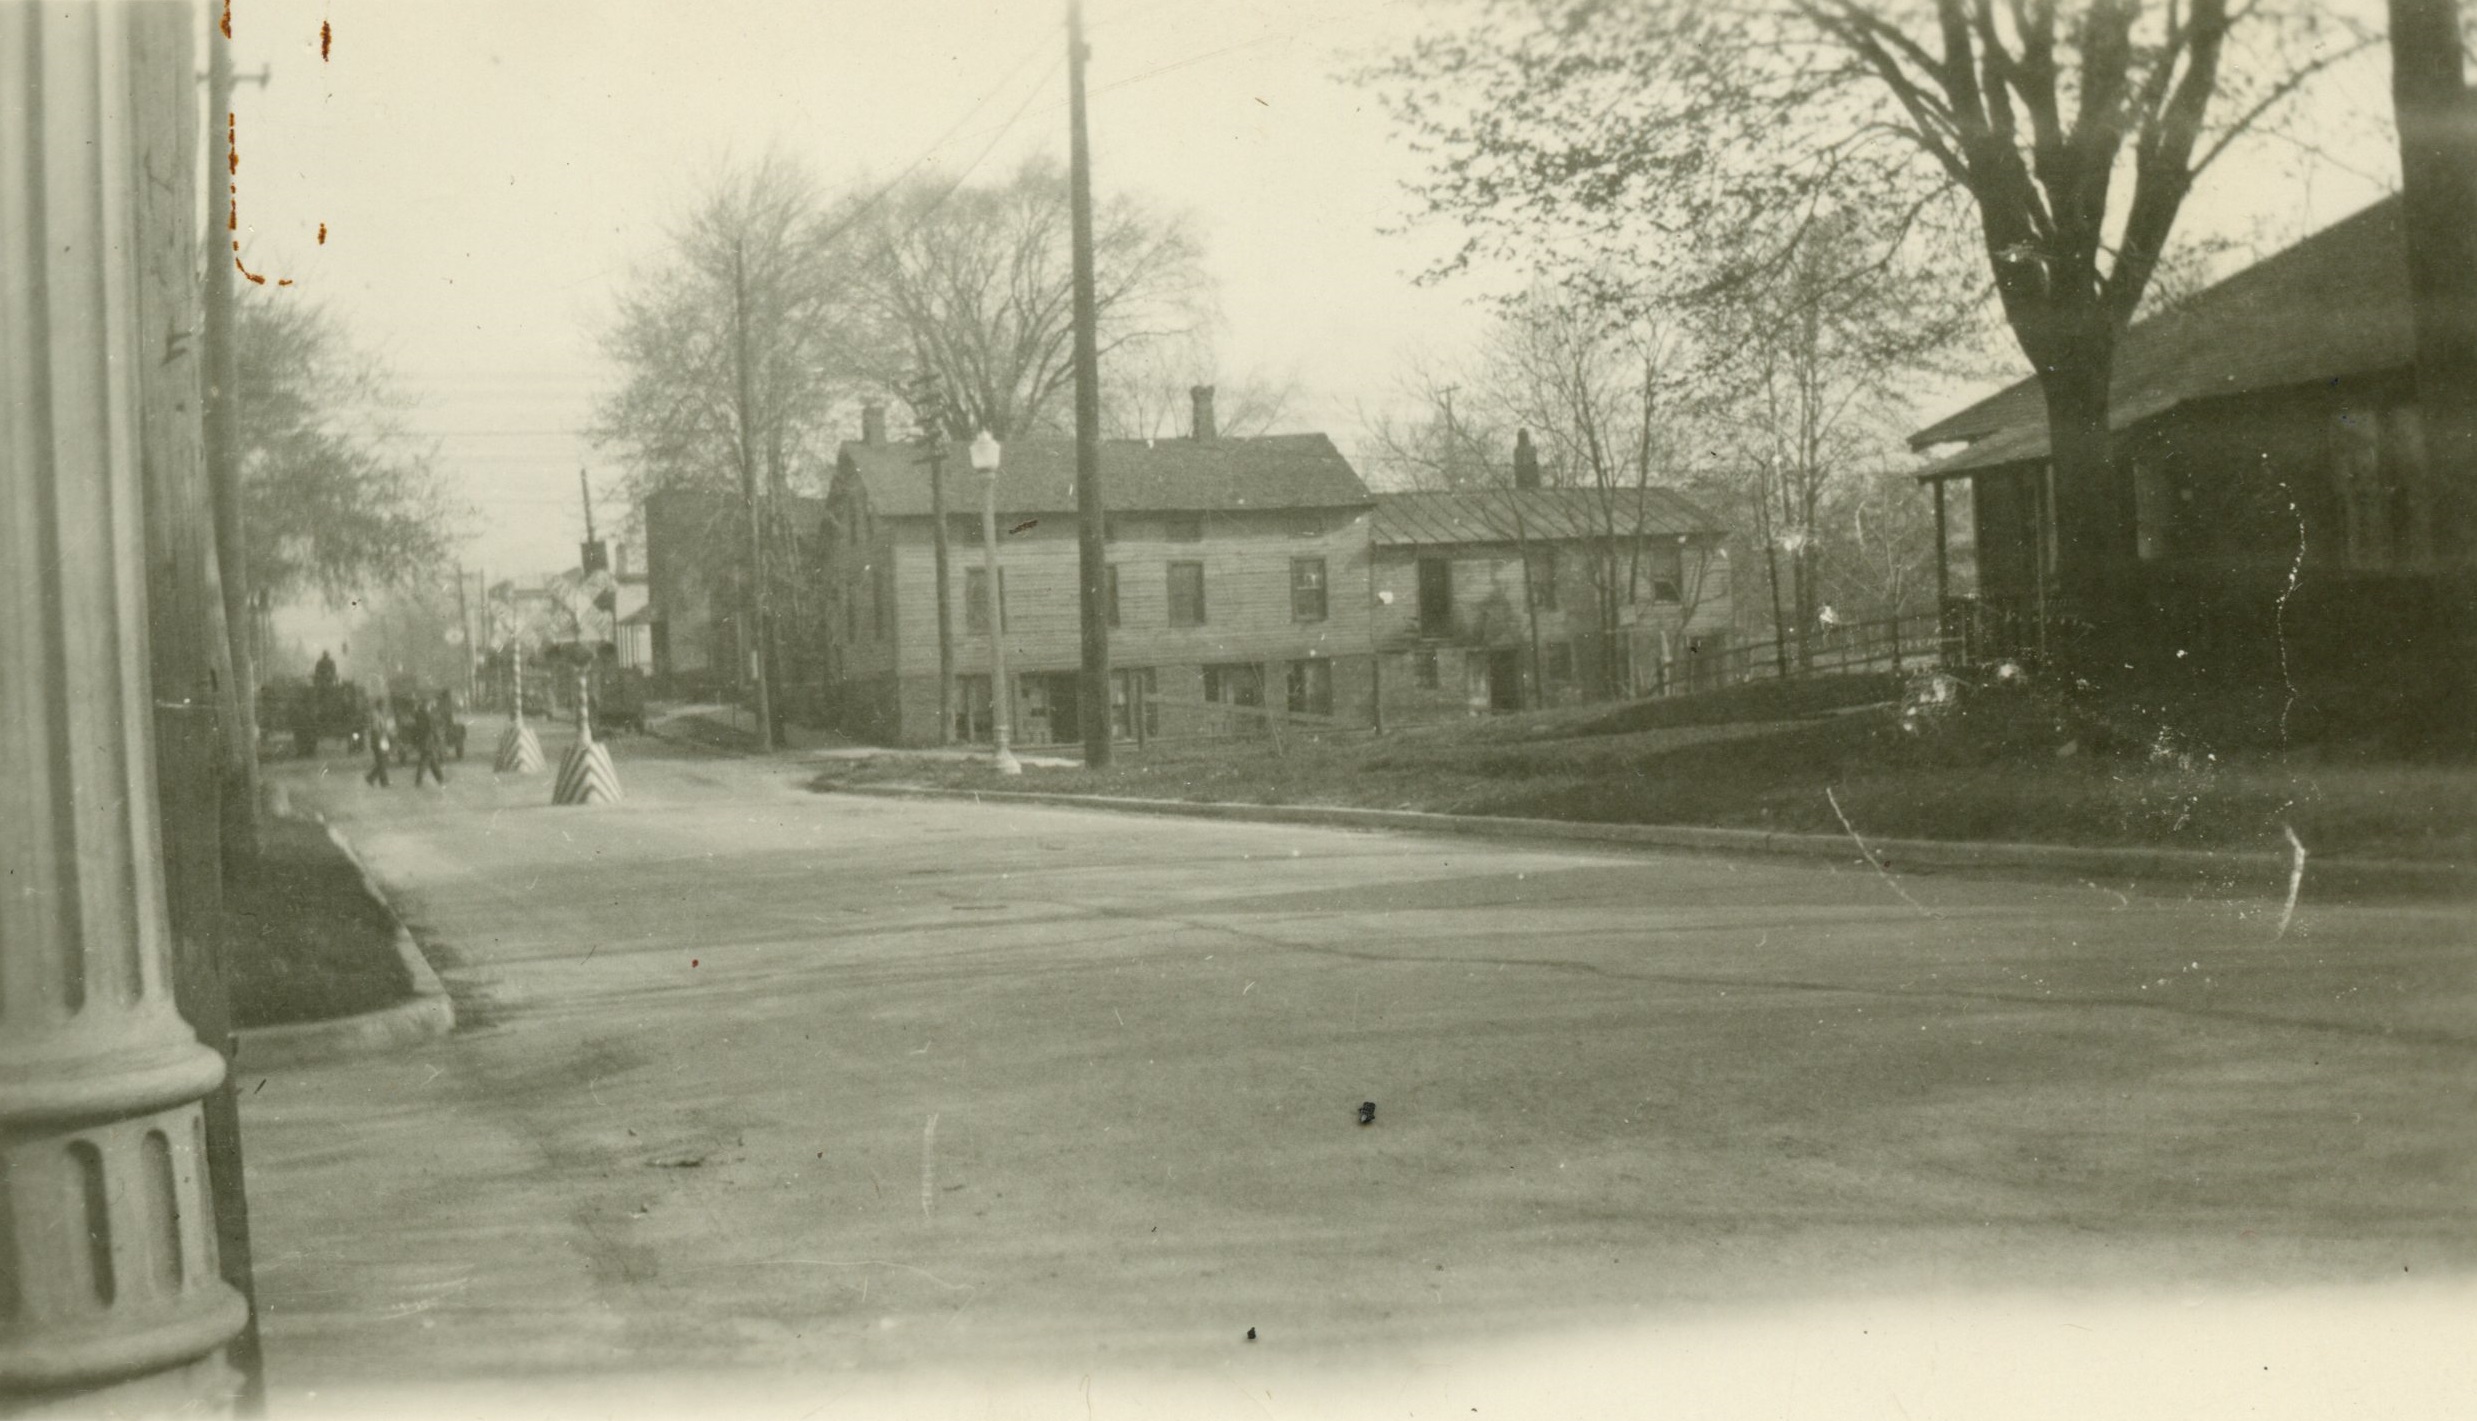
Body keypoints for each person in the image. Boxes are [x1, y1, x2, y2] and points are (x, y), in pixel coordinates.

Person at [409, 693, 448, 788]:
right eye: (430, 704)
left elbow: (415, 717)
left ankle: (440, 779)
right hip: (428, 741)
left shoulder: (419, 714)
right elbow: (432, 729)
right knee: (425, 761)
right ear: (427, 704)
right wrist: (438, 739)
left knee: (432, 761)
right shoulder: (428, 715)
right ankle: (418, 782)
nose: (431, 705)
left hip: (422, 741)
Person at [363, 699, 393, 788]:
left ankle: (372, 778)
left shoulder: (378, 714)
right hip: (378, 740)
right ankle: (381, 781)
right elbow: (376, 729)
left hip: (379, 739)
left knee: (382, 760)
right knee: (383, 760)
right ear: (380, 706)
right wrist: (382, 740)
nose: (385, 708)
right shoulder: (375, 715)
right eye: (384, 706)